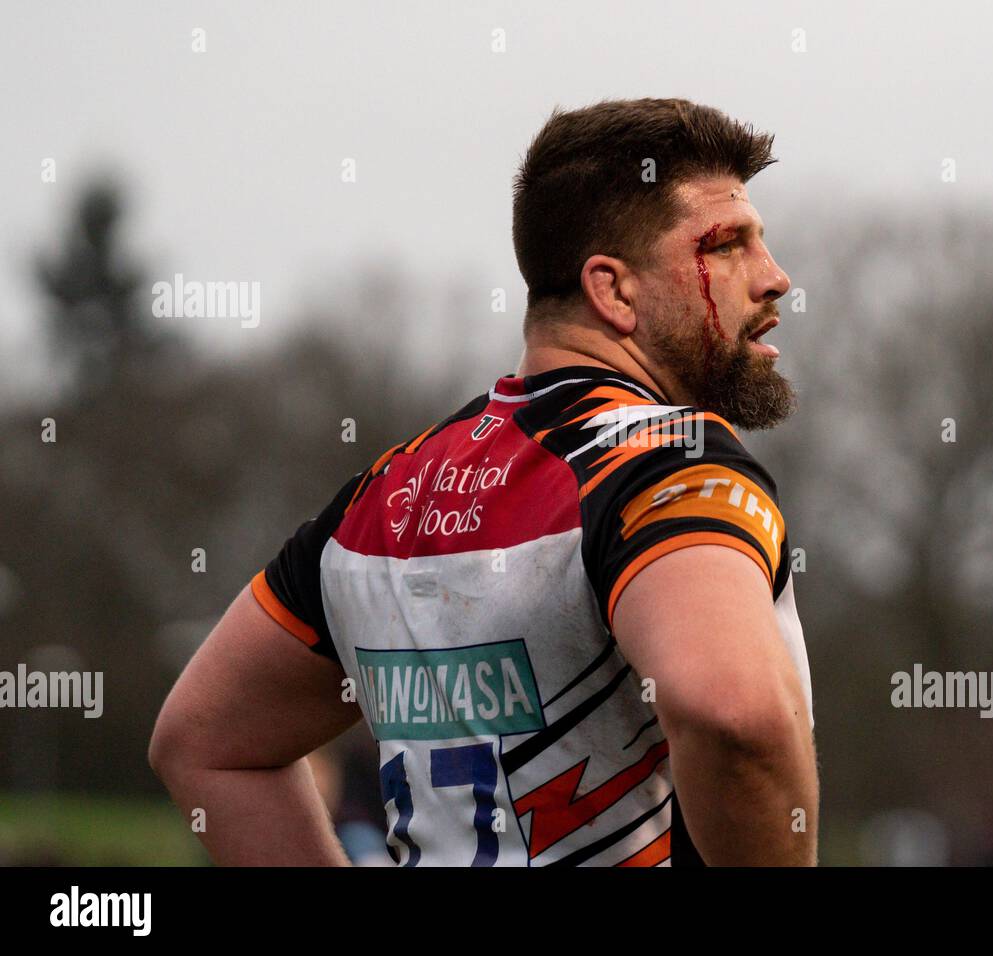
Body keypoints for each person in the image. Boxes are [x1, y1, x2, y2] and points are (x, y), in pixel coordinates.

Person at [150, 97, 819, 866]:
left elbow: (203, 747)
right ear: (615, 291)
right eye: (730, 245)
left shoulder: (382, 498)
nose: (775, 279)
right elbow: (733, 714)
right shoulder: (665, 458)